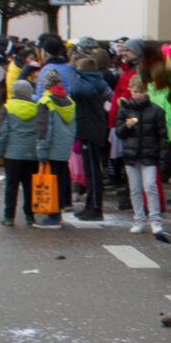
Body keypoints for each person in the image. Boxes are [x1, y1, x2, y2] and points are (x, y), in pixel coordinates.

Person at [115, 74, 167, 232]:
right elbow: (119, 133)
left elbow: (162, 137)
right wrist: (126, 127)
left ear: (146, 91)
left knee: (150, 187)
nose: (138, 94)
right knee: (135, 189)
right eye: (136, 91)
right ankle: (139, 219)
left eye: (141, 91)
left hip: (149, 155)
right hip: (131, 156)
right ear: (130, 90)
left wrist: (163, 158)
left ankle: (155, 220)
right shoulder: (124, 110)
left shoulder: (157, 111)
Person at [70, 55, 112, 221]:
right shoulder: (96, 84)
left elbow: (75, 88)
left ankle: (95, 207)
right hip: (91, 129)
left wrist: (71, 69)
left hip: (91, 130)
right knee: (90, 171)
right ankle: (90, 205)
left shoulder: (88, 85)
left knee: (94, 172)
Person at [33, 69, 76, 228]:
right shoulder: (70, 102)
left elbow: (44, 130)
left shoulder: (45, 103)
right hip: (64, 148)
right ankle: (59, 212)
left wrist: (41, 151)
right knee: (62, 179)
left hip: (51, 148)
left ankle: (53, 216)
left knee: (51, 183)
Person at [0, 78, 38, 226]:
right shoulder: (37, 108)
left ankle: (9, 216)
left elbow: (2, 132)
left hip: (13, 154)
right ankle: (30, 215)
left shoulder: (8, 107)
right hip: (32, 154)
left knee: (11, 186)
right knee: (29, 185)